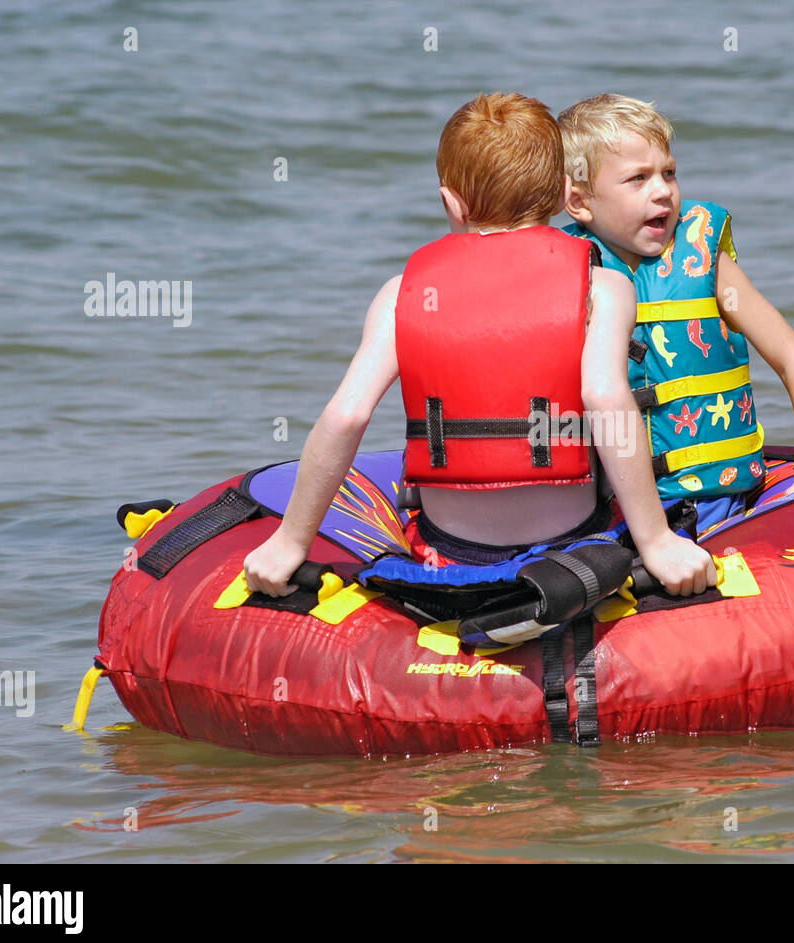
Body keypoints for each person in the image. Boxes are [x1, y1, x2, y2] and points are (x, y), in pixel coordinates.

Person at [243, 92, 717, 600]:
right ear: (562, 196)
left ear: (452, 202)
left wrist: (290, 541)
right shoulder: (601, 288)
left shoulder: (400, 295)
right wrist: (656, 540)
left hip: (450, 550)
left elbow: (345, 417)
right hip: (575, 539)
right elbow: (606, 400)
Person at [557, 93, 794, 525]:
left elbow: (793, 358)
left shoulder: (703, 259)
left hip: (723, 496)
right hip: (621, 508)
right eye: (637, 179)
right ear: (580, 202)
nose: (662, 191)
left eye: (669, 173)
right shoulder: (568, 268)